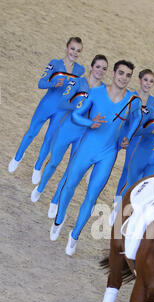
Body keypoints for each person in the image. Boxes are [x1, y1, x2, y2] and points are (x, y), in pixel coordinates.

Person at [49, 59, 143, 256]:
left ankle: (74, 236)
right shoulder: (97, 93)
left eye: (128, 75)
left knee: (92, 197)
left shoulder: (133, 100)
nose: (124, 78)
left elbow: (136, 118)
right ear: (114, 74)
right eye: (121, 73)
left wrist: (128, 136)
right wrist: (90, 122)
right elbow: (76, 115)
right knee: (69, 186)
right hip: (87, 148)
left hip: (108, 154)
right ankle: (59, 219)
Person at [30, 54, 108, 216]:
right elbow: (62, 102)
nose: (100, 71)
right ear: (92, 67)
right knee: (53, 163)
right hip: (67, 129)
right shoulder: (78, 82)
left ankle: (55, 200)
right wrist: (78, 107)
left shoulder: (103, 92)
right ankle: (41, 187)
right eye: (98, 67)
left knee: (71, 171)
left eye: (104, 68)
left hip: (84, 135)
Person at [8, 37, 84, 183]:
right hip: (46, 105)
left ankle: (38, 166)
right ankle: (18, 157)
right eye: (72, 48)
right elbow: (41, 83)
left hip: (62, 111)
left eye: (78, 51)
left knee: (49, 139)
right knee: (32, 132)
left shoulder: (80, 70)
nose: (74, 52)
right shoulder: (54, 64)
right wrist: (53, 83)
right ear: (67, 47)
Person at [115, 68, 154, 197]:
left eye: (151, 81)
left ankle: (119, 198)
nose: (147, 83)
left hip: (139, 140)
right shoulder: (130, 96)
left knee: (128, 169)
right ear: (140, 80)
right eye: (145, 80)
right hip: (124, 134)